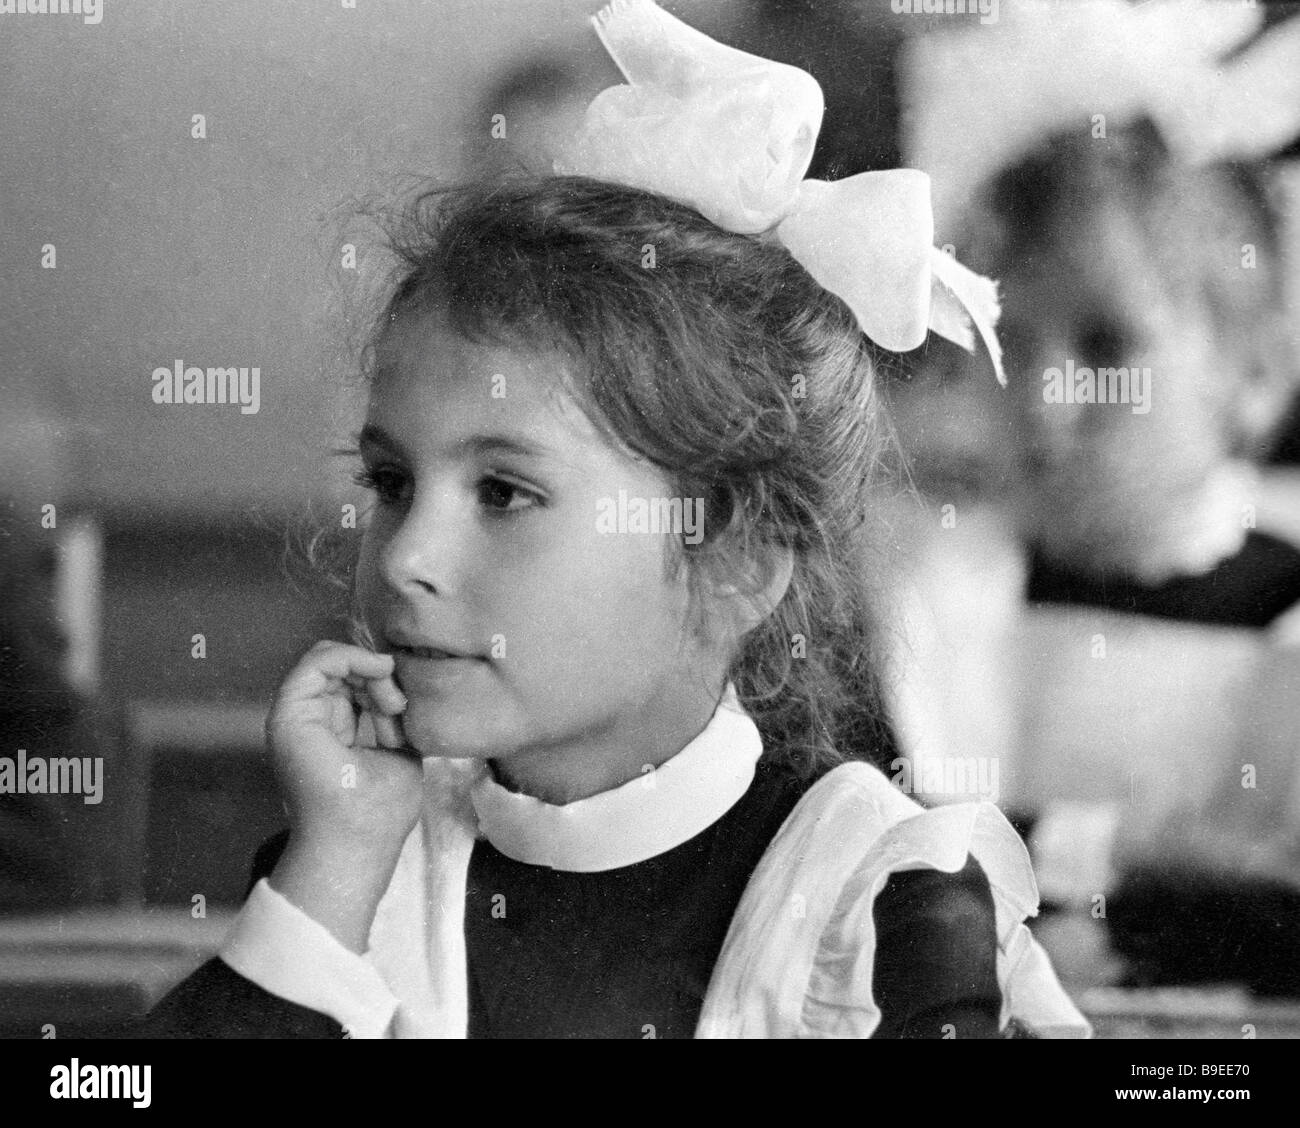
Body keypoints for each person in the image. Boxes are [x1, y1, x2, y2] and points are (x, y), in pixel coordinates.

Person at [135, 0, 1087, 1039]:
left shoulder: (880, 902)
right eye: (391, 481)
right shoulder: (367, 856)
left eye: (504, 493)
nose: (406, 557)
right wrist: (334, 867)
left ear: (735, 557)